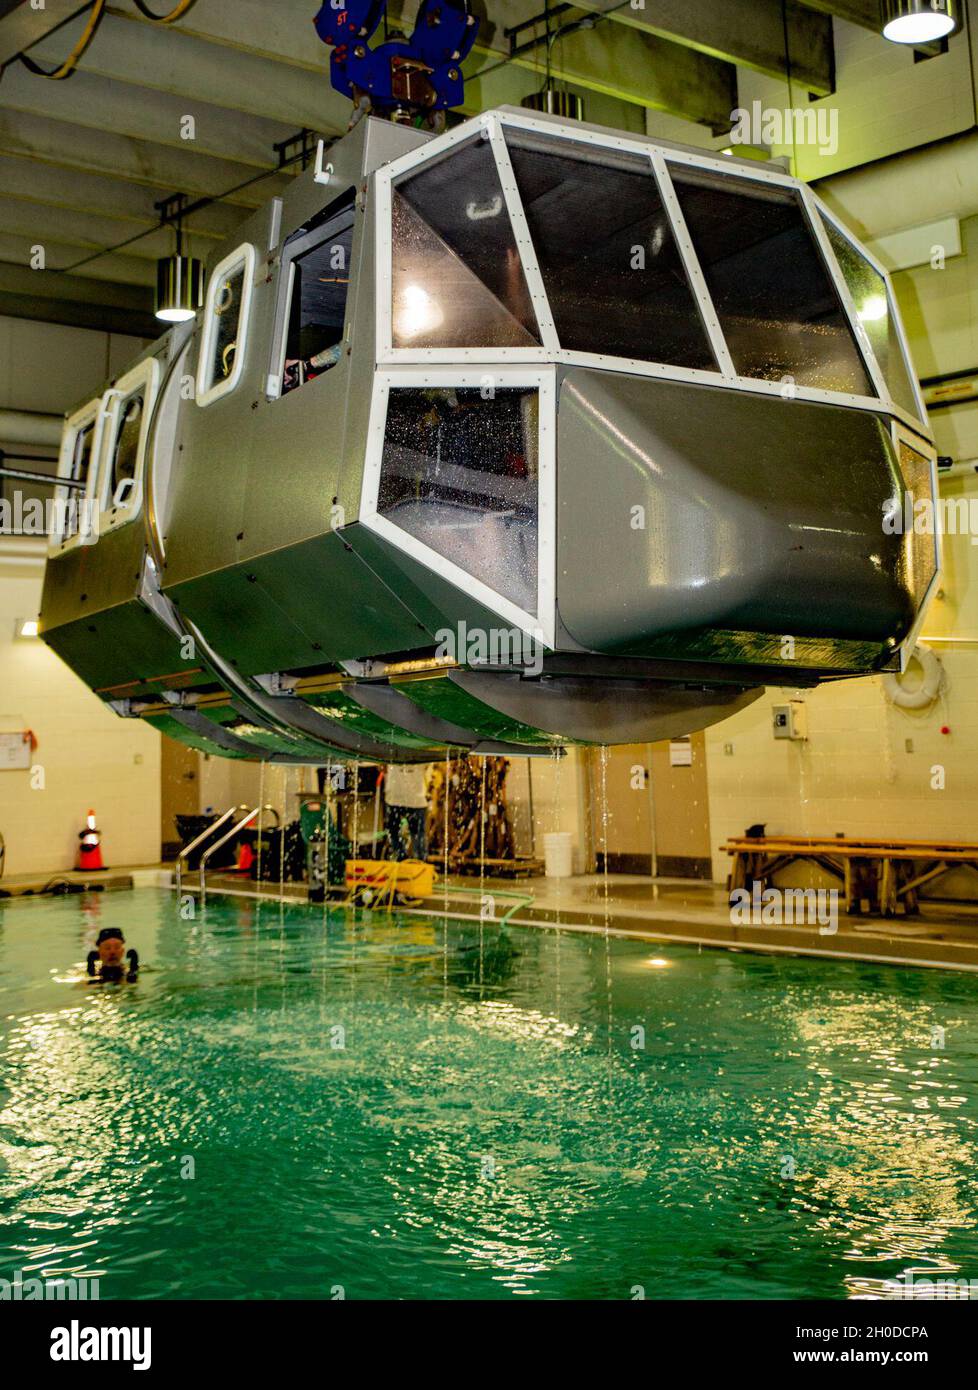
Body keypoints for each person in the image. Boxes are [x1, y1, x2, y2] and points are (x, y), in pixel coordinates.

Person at [383, 763, 431, 862]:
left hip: (396, 795)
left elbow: (382, 766)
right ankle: (420, 863)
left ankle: (401, 857)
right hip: (414, 797)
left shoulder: (390, 748)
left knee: (393, 831)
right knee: (417, 835)